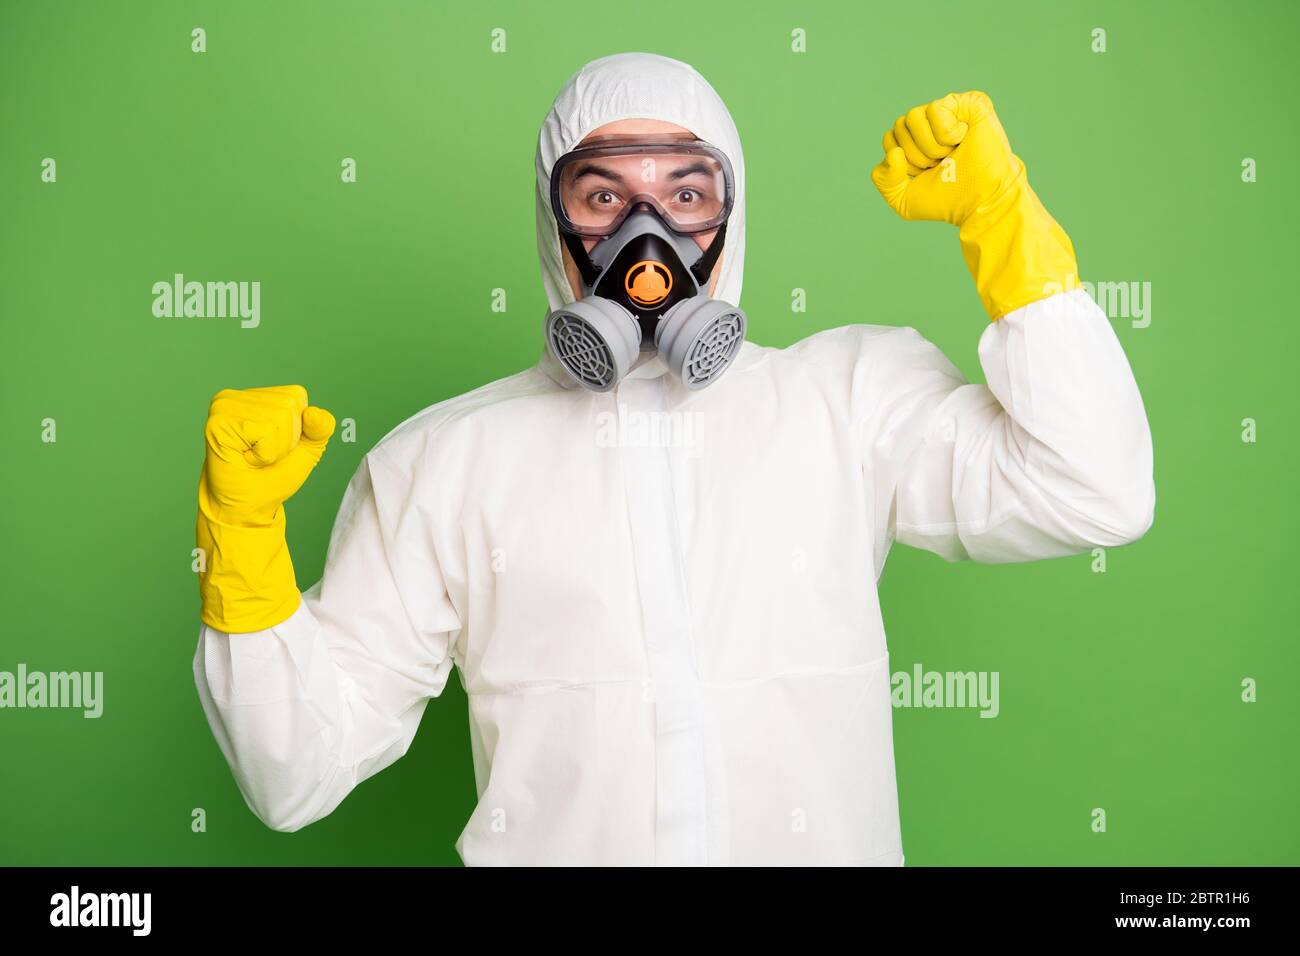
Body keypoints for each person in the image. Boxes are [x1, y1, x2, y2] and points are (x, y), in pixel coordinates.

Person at [193, 52, 1154, 866]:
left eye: (685, 194)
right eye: (604, 195)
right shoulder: (444, 462)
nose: (643, 242)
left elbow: (1095, 492)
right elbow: (294, 776)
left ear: (730, 217)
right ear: (551, 218)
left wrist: (1005, 228)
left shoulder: (847, 401)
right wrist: (243, 552)